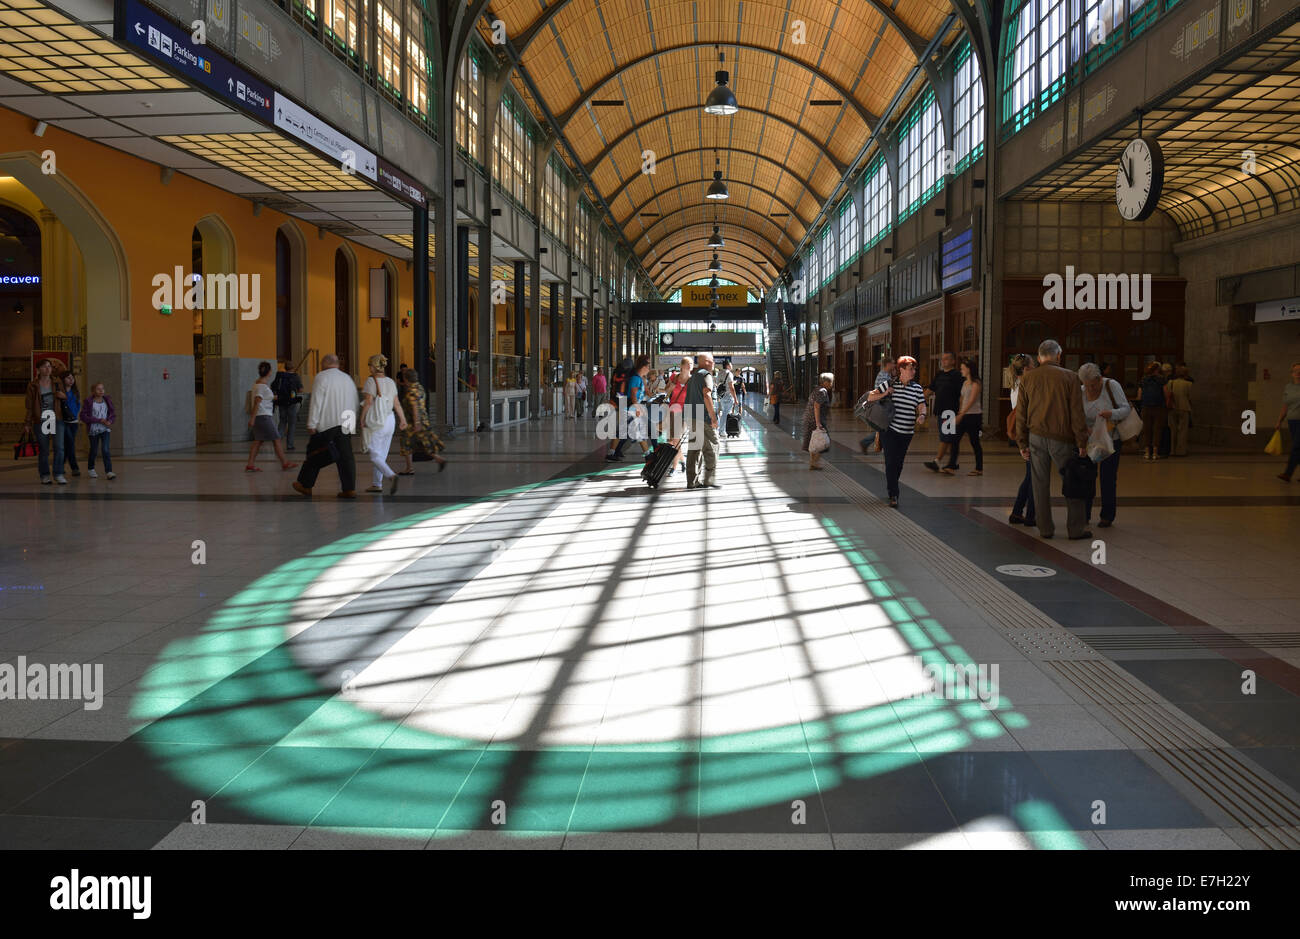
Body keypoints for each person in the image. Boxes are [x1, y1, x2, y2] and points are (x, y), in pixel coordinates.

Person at [1014, 339, 1091, 540]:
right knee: (1073, 481)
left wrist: (1022, 442)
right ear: (1059, 355)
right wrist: (1082, 442)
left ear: (1039, 357)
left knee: (1039, 484)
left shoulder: (1028, 379)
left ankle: (1045, 528)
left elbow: (1020, 413)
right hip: (1062, 439)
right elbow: (1077, 413)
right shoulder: (1071, 377)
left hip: (1036, 437)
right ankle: (1076, 529)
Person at [292, 353, 360, 498]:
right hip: (345, 423)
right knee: (346, 457)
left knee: (314, 453)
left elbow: (317, 401)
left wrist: (312, 422)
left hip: (328, 423)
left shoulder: (321, 377)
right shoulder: (347, 378)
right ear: (337, 364)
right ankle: (349, 489)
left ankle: (305, 485)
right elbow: (354, 401)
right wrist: (351, 423)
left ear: (324, 364)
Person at [864, 356, 927, 508]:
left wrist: (922, 415)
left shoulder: (917, 388)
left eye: (914, 368)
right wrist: (885, 393)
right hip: (889, 430)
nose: (913, 371)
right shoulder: (890, 384)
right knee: (890, 462)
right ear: (901, 370)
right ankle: (894, 494)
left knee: (898, 464)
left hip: (907, 432)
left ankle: (892, 486)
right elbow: (871, 396)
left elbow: (921, 404)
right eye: (910, 368)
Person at [1079, 362, 1131, 529]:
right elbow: (1078, 414)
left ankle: (1107, 516)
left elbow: (1125, 409)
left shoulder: (1111, 385)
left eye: (1093, 385)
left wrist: (1111, 414)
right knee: (1087, 477)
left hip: (1111, 438)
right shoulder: (1081, 391)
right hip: (1090, 440)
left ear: (1100, 378)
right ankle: (1084, 514)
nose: (1090, 389)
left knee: (1108, 478)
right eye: (1087, 386)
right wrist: (1084, 427)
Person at [360, 353, 407, 495]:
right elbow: (397, 404)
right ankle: (376, 484)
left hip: (376, 420)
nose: (369, 368)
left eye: (369, 365)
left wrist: (361, 419)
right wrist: (403, 419)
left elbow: (368, 402)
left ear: (373, 366)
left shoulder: (371, 381)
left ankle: (391, 476)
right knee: (381, 455)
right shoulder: (391, 382)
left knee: (374, 455)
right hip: (390, 420)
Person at [245, 361, 298, 472]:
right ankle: (285, 463)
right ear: (269, 372)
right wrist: (252, 418)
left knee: (258, 441)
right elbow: (257, 401)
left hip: (261, 416)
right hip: (263, 417)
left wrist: (275, 397)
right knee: (276, 439)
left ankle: (250, 464)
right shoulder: (262, 386)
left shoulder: (258, 384)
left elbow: (264, 398)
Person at [24, 358, 66, 484]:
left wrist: (62, 396)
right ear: (38, 369)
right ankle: (45, 475)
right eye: (44, 366)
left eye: (49, 366)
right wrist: (27, 423)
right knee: (44, 449)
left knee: (59, 447)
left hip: (56, 418)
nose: (47, 369)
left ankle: (58, 473)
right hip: (41, 419)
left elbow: (65, 397)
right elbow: (29, 405)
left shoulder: (57, 382)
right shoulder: (33, 385)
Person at [397, 368, 446, 474]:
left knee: (406, 443)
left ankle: (409, 468)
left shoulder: (411, 391)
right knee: (423, 443)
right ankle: (439, 459)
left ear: (406, 379)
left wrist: (416, 423)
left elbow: (415, 407)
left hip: (413, 423)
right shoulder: (420, 387)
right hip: (423, 420)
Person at [684, 352, 720, 489]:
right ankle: (709, 480)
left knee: (694, 449)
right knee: (713, 446)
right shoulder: (706, 375)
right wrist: (713, 417)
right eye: (712, 360)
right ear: (707, 362)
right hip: (702, 417)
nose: (714, 363)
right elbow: (707, 395)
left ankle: (692, 482)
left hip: (691, 415)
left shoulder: (693, 377)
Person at [1007, 354, 1036, 527]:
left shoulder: (1016, 385)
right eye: (1033, 366)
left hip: (1024, 435)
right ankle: (1030, 515)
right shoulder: (1025, 386)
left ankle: (1018, 512)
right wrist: (1023, 444)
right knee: (1033, 477)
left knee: (1031, 475)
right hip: (1029, 435)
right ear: (1025, 369)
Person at [943, 358, 983, 475]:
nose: (961, 371)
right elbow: (962, 399)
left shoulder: (976, 383)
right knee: (954, 439)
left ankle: (979, 468)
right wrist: (959, 412)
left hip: (973, 416)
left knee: (974, 442)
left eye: (963, 369)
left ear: (969, 370)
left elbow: (971, 401)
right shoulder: (965, 383)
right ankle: (951, 465)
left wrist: (961, 414)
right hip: (963, 414)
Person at [924, 352, 963, 473]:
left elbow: (962, 394)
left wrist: (961, 412)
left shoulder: (957, 375)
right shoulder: (939, 374)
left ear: (953, 361)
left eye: (946, 359)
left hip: (950, 411)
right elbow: (930, 389)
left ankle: (937, 461)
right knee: (949, 437)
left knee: (945, 437)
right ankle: (953, 462)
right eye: (942, 359)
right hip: (940, 411)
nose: (943, 361)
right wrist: (919, 400)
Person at [79, 381, 116, 479]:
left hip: (105, 429)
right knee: (94, 450)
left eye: (102, 388)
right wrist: (98, 420)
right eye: (98, 389)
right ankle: (91, 468)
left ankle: (109, 471)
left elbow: (112, 413)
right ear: (93, 391)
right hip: (93, 430)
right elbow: (83, 416)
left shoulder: (107, 400)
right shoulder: (88, 401)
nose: (101, 391)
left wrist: (110, 421)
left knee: (105, 449)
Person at [860, 356, 896, 454]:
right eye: (893, 363)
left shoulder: (886, 375)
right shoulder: (884, 376)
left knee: (885, 428)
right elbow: (885, 392)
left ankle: (868, 443)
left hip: (884, 404)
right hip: (884, 405)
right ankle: (867, 442)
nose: (894, 365)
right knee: (885, 428)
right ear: (888, 364)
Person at [664, 356, 692, 477]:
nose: (690, 365)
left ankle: (674, 468)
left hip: (684, 413)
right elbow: (666, 391)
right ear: (682, 366)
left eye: (691, 363)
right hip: (672, 410)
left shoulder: (692, 380)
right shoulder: (674, 377)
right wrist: (670, 387)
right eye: (687, 363)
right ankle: (683, 460)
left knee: (676, 439)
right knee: (672, 441)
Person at [1138, 361, 1169, 461]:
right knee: (1157, 429)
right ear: (1157, 370)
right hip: (1159, 407)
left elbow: (1139, 395)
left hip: (1146, 407)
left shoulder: (1143, 380)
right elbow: (1166, 393)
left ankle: (1147, 452)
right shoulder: (1161, 379)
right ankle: (1155, 453)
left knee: (1146, 430)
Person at [803, 373, 834, 470]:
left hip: (809, 418)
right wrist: (818, 423)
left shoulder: (816, 389)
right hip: (816, 419)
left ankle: (813, 463)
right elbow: (817, 405)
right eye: (830, 382)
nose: (831, 384)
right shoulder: (823, 391)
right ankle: (814, 462)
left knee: (814, 442)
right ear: (826, 382)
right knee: (823, 443)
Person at [624, 356, 653, 458]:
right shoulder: (635, 378)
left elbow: (645, 393)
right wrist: (636, 408)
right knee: (638, 432)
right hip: (631, 409)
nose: (649, 368)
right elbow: (633, 394)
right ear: (643, 367)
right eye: (648, 365)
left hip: (634, 408)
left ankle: (613, 451)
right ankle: (648, 455)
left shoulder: (639, 378)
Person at [1275, 362, 1300, 482]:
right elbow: (1285, 405)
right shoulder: (1288, 387)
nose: (1298, 373)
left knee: (1296, 447)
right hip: (1292, 421)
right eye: (1295, 371)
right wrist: (1279, 420)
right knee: (1298, 447)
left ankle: (1288, 473)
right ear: (1292, 373)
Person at [271, 362, 304, 451]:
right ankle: (290, 445)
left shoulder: (280, 376)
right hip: (292, 403)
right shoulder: (295, 376)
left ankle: (277, 444)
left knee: (282, 422)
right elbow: (301, 389)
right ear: (293, 368)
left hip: (281, 402)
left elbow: (273, 387)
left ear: (285, 368)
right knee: (292, 424)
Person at [58, 370, 82, 477]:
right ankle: (74, 467)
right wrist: (64, 397)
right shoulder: (59, 392)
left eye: (72, 378)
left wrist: (74, 415)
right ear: (63, 380)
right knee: (70, 445)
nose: (71, 380)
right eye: (68, 378)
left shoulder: (75, 391)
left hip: (74, 422)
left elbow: (76, 406)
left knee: (68, 445)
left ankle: (61, 466)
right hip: (63, 422)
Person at [1167, 364, 1194, 457]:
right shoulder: (1188, 384)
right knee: (1182, 430)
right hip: (1184, 408)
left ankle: (1172, 450)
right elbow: (1190, 397)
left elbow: (1167, 395)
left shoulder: (1170, 383)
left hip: (1172, 408)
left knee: (1172, 429)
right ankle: (1181, 451)